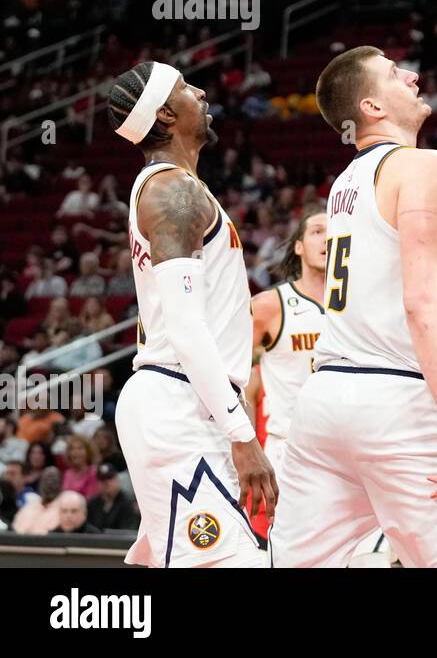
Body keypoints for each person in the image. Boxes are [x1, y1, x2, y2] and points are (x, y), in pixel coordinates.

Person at [271, 47, 437, 568]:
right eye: (397, 75)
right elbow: (422, 302)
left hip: (323, 402)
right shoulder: (424, 166)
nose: (413, 76)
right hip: (398, 398)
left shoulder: (343, 186)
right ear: (373, 106)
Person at [107, 61, 273, 568]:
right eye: (184, 86)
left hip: (187, 401)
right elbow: (183, 324)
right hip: (177, 400)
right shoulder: (172, 192)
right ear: (163, 114)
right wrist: (243, 436)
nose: (200, 91)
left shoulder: (173, 187)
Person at [246, 206, 327, 476]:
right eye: (317, 232)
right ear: (299, 247)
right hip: (290, 453)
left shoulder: (360, 305)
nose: (327, 239)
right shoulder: (270, 305)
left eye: (335, 233)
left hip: (349, 450)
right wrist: (245, 443)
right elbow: (229, 377)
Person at [87, 463, 140, 532]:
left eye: (109, 478)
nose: (106, 483)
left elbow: (128, 530)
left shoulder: (128, 502)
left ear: (117, 479)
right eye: (102, 479)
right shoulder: (92, 503)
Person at [12, 467, 63, 535]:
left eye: (53, 480)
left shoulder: (65, 508)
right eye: (46, 479)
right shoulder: (29, 506)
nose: (50, 484)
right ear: (40, 483)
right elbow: (16, 528)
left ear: (61, 484)